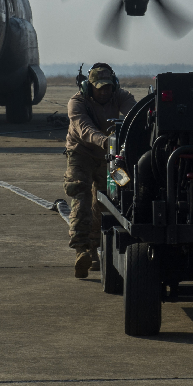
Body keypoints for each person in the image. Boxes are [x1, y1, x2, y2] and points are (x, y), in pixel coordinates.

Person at [64, 63, 136, 278]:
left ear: (114, 86)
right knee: (82, 196)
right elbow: (85, 129)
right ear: (89, 87)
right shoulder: (77, 102)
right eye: (99, 87)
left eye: (108, 87)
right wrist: (107, 142)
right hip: (81, 154)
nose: (104, 92)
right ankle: (82, 250)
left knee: (109, 200)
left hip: (109, 156)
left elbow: (136, 115)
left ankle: (96, 246)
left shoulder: (121, 96)